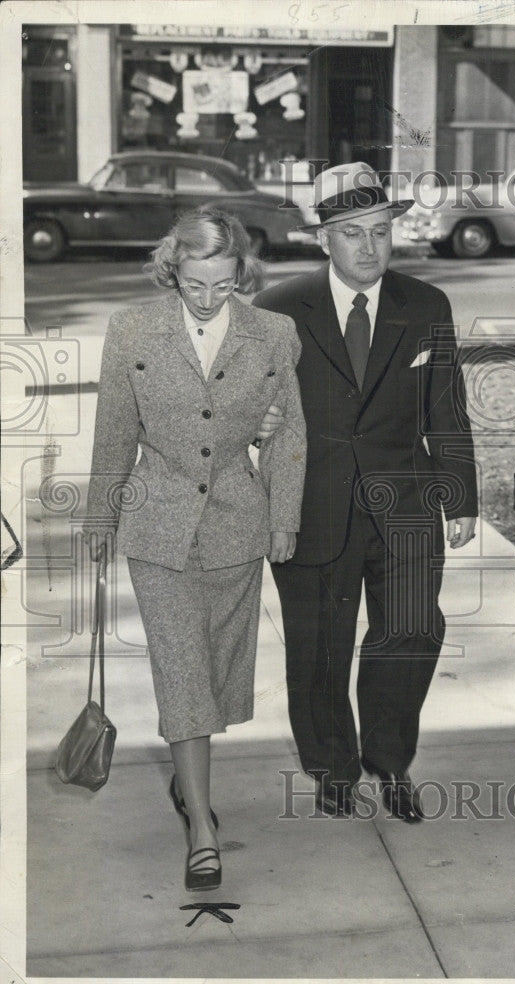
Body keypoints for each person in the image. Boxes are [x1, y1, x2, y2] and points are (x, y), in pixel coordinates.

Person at [83, 206, 306, 888]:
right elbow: (115, 432)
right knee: (181, 676)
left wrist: (283, 519)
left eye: (223, 285)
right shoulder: (132, 331)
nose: (207, 299)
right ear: (171, 268)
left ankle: (189, 783)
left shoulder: (273, 333)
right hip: (158, 528)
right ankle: (202, 827)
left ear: (242, 274)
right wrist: (98, 521)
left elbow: (290, 432)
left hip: (238, 525)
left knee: (215, 677)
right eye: (193, 282)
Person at [252, 162, 478, 821]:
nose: (369, 247)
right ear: (322, 238)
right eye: (351, 233)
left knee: (409, 633)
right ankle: (331, 767)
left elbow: (448, 411)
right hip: (309, 505)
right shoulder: (276, 310)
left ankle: (389, 761)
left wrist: (461, 500)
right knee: (318, 644)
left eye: (380, 231)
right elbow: (237, 408)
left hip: (405, 505)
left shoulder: (425, 305)